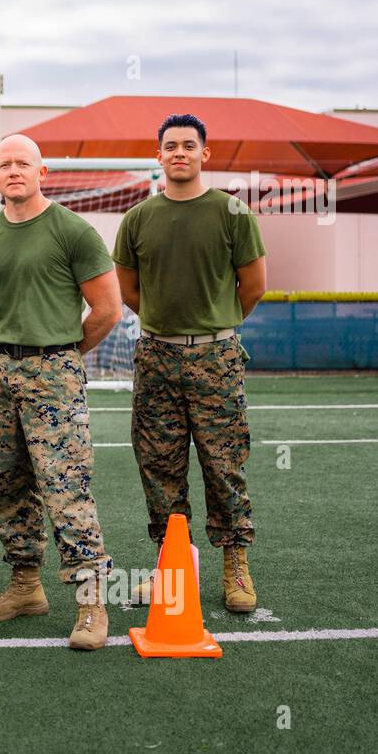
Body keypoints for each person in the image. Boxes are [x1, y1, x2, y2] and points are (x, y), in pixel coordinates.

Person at [0, 135, 120, 651]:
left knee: (65, 487)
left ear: (42, 171)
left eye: (23, 164)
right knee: (4, 483)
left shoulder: (73, 231)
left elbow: (106, 310)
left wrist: (62, 353)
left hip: (53, 371)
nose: (13, 171)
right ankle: (25, 587)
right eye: (4, 164)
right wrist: (5, 351)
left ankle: (91, 601)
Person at [112, 113, 267, 612]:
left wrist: (213, 328)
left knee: (223, 463)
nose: (179, 152)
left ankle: (235, 565)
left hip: (216, 359)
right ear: (158, 155)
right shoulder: (138, 218)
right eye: (170, 146)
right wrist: (168, 328)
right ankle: (171, 570)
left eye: (188, 145)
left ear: (205, 153)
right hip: (157, 356)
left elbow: (255, 285)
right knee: (159, 466)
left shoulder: (233, 213)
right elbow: (130, 290)